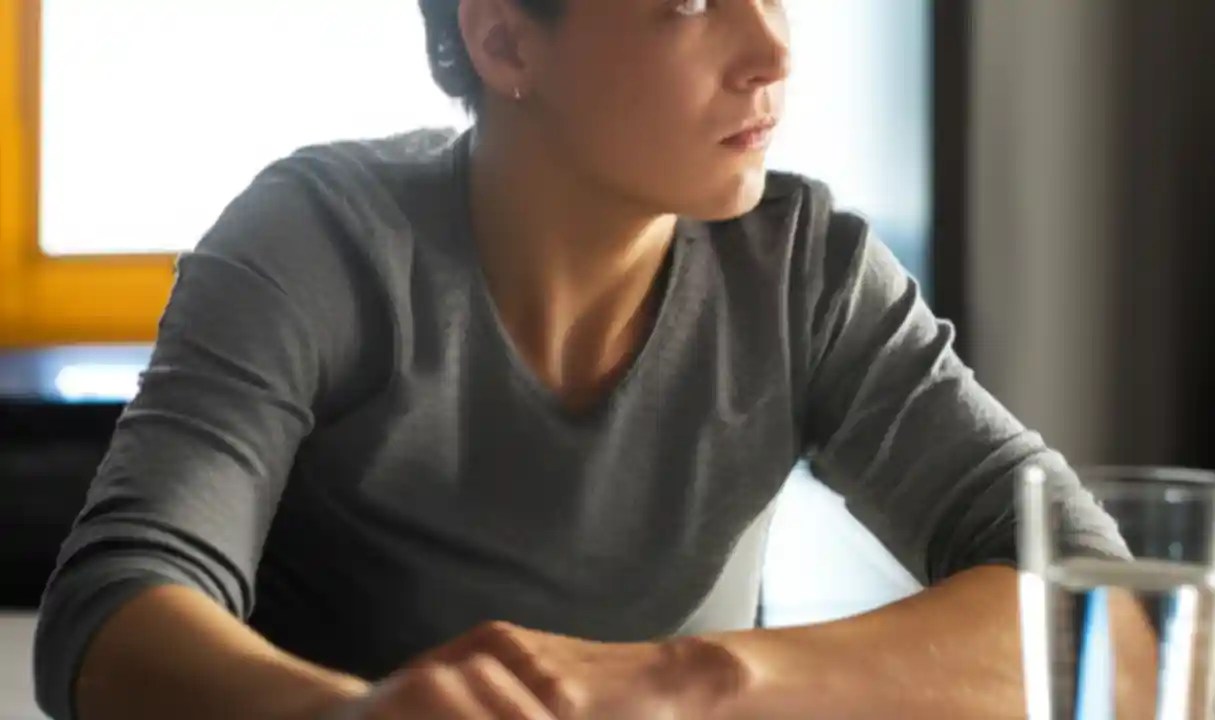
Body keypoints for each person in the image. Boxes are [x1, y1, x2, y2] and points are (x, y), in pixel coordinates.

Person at [33, 1, 1130, 718]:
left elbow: (1114, 617)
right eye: (691, 4)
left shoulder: (806, 273)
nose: (772, 51)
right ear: (504, 40)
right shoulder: (316, 242)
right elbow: (113, 608)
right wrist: (350, 717)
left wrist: (693, 678)